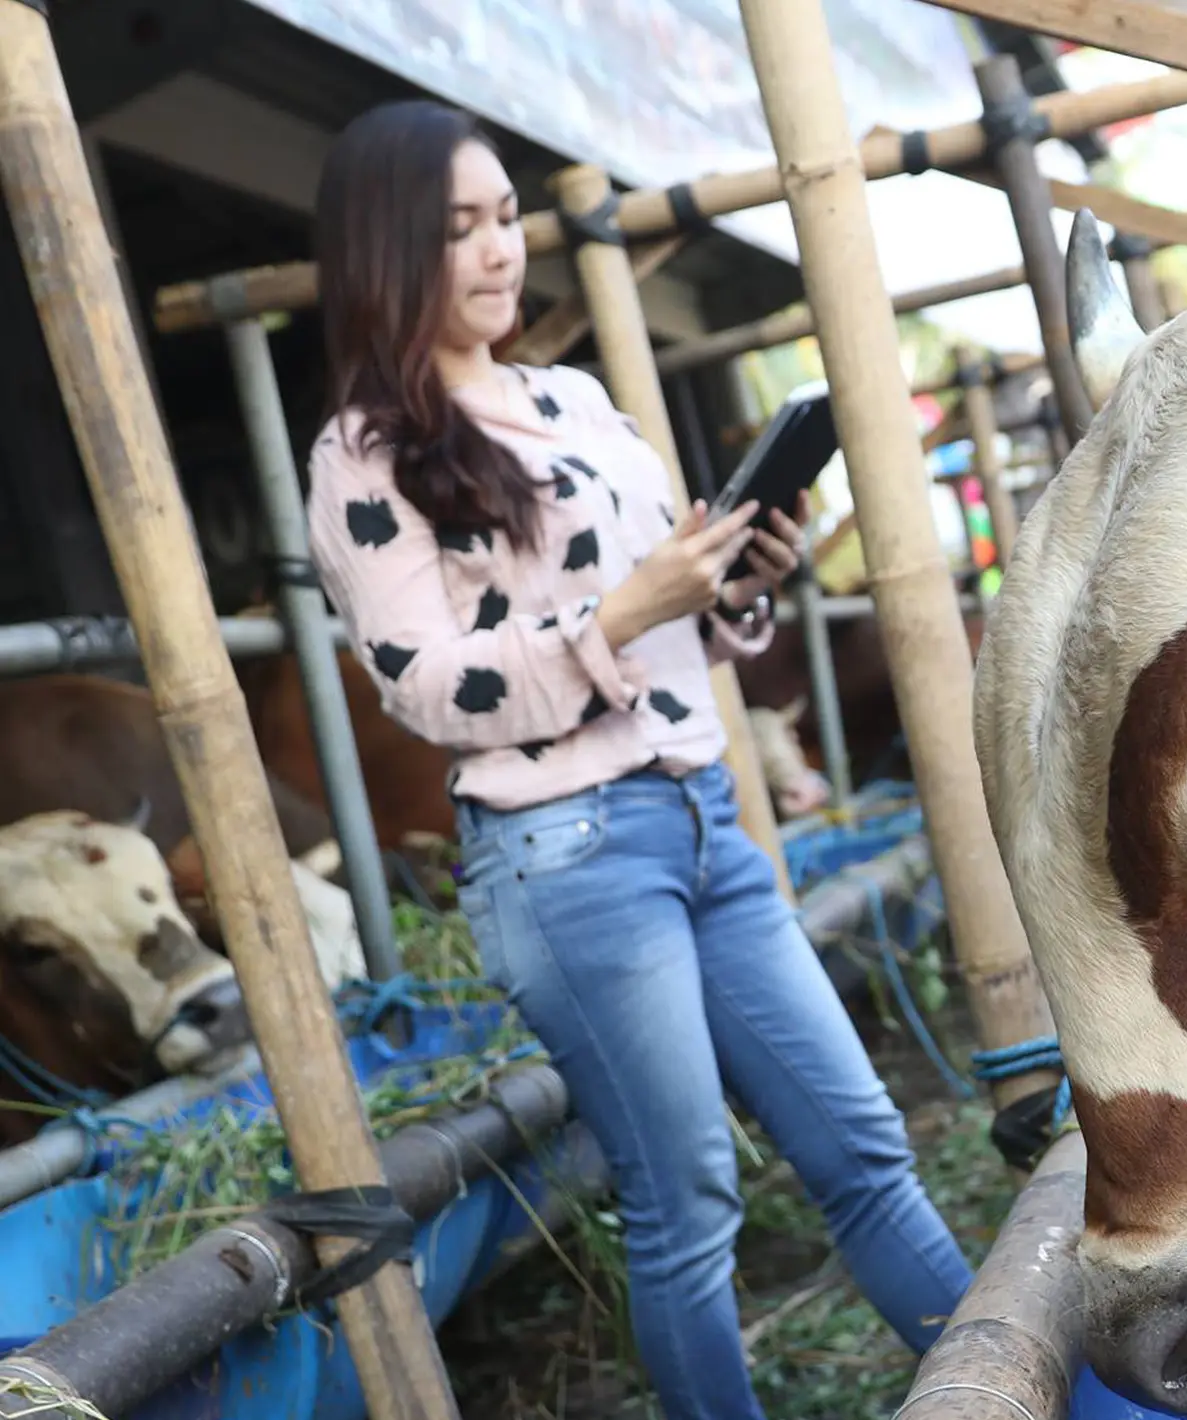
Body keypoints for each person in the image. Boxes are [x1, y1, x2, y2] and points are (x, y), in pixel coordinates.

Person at [303, 100, 974, 1419]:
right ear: (387, 251)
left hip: (704, 813)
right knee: (688, 1201)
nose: (500, 250)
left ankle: (1017, 1391)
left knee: (862, 1144)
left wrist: (734, 585)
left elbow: (670, 622)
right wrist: (619, 616)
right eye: (458, 229)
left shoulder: (576, 401)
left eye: (507, 219)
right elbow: (426, 687)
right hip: (567, 856)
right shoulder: (364, 456)